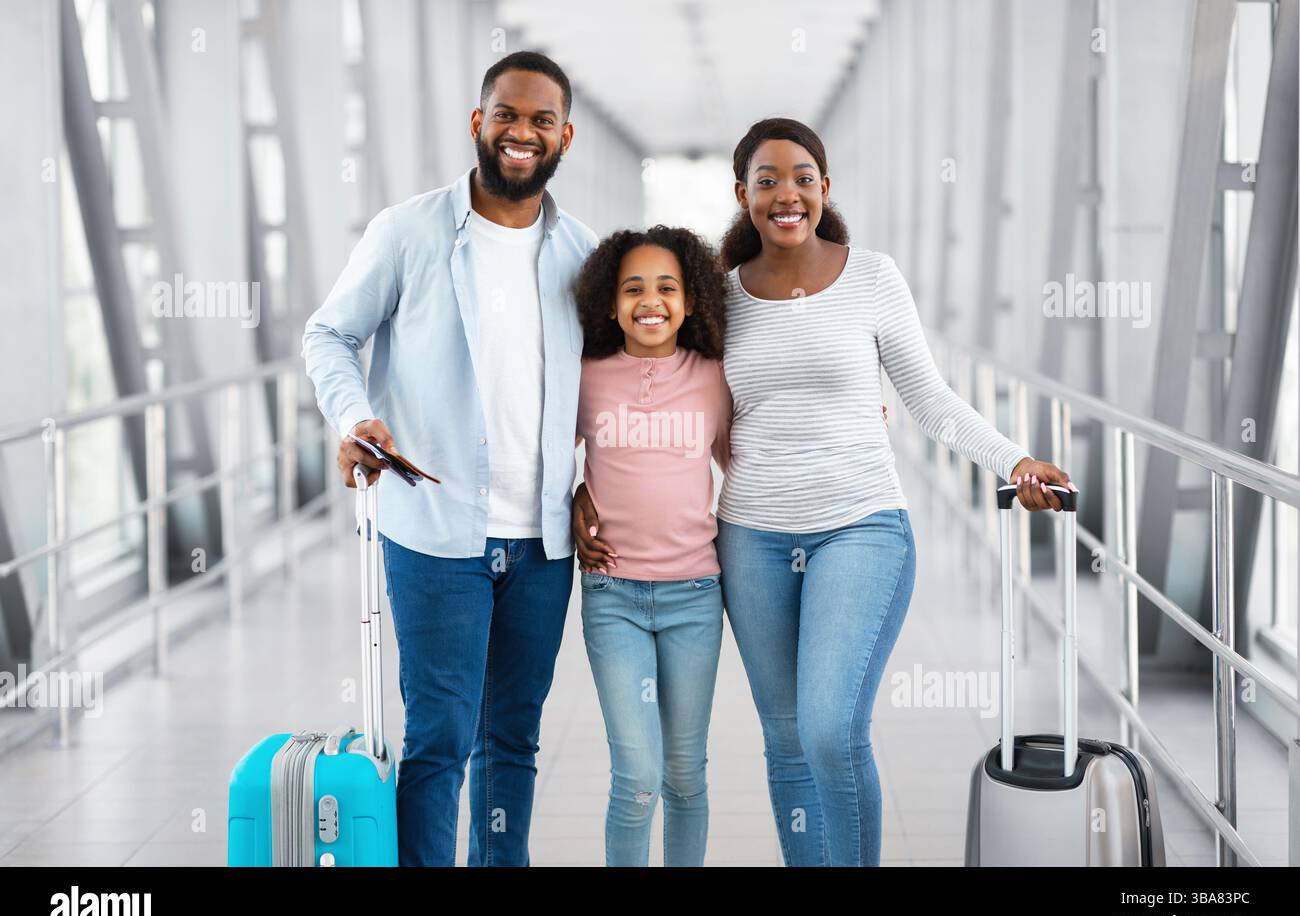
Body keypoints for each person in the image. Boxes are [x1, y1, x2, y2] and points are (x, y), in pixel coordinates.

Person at [575, 117, 1073, 867]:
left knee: (828, 730)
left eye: (802, 178)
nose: (786, 195)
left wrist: (1015, 461)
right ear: (741, 194)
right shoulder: (720, 297)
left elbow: (930, 400)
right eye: (767, 180)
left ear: (825, 188)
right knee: (785, 743)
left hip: (860, 525)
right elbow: (665, 391)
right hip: (751, 538)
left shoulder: (873, 277)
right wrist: (580, 486)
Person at [301, 51, 597, 867]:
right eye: (507, 114)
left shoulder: (583, 253)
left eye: (542, 120)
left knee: (513, 739)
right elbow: (329, 333)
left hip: (540, 543)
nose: (522, 133)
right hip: (433, 532)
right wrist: (354, 413)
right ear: (478, 122)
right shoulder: (408, 231)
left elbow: (627, 378)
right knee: (436, 738)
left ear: (565, 136)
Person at [570, 226, 730, 865]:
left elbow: (753, 454)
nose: (650, 301)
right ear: (610, 304)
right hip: (613, 596)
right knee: (636, 779)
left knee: (686, 776)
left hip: (695, 596)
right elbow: (547, 453)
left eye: (667, 287)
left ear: (690, 301)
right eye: (632, 288)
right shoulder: (587, 375)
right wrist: (572, 494)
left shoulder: (714, 376)